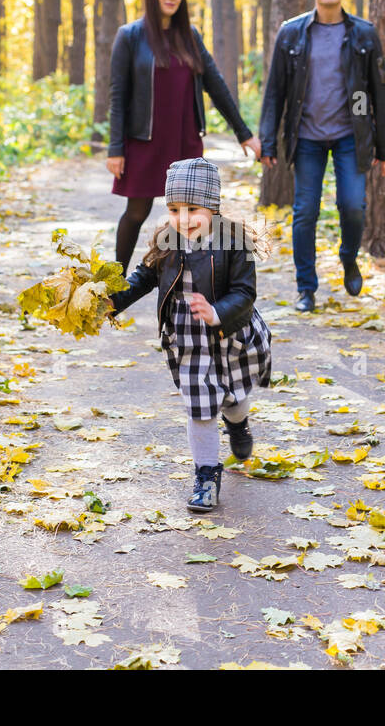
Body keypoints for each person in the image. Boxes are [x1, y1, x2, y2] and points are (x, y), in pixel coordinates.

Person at [105, 158, 272, 513]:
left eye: (193, 209)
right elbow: (141, 279)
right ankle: (206, 476)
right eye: (174, 209)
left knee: (234, 400)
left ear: (212, 206)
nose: (183, 218)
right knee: (200, 408)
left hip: (232, 334)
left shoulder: (234, 242)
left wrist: (216, 312)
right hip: (190, 340)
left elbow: (245, 293)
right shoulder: (168, 241)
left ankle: (238, 425)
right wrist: (112, 302)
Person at [258, 0, 385, 312]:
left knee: (353, 205)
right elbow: (274, 91)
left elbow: (379, 93)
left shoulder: (364, 34)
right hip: (306, 137)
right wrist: (268, 140)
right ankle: (306, 288)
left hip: (351, 135)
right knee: (305, 212)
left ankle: (348, 257)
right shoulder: (292, 33)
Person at [107, 0, 262, 274]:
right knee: (137, 212)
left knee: (192, 216)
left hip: (184, 139)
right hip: (144, 142)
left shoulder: (189, 36)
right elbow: (118, 95)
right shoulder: (130, 36)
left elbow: (215, 85)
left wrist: (243, 133)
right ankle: (115, 282)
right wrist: (115, 148)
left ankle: (191, 281)